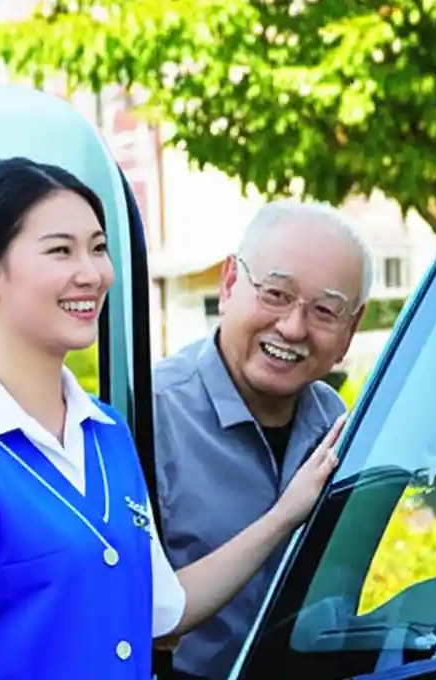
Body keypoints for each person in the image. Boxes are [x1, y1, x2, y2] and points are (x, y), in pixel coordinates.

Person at [0, 158, 344, 680]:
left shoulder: (107, 435)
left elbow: (165, 612)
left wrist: (288, 513)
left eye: (98, 248)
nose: (93, 273)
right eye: (60, 250)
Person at [153, 201, 373, 679]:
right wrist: (282, 518)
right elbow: (140, 616)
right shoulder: (151, 417)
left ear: (351, 329)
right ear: (229, 283)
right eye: (275, 294)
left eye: (325, 311)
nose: (293, 328)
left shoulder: (336, 423)